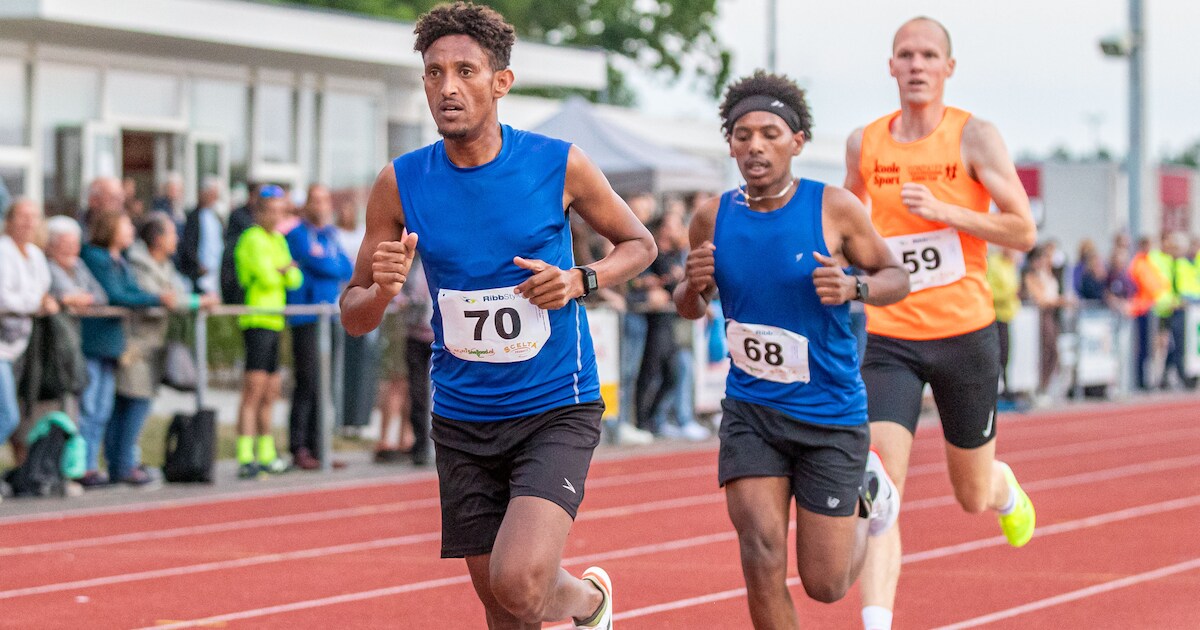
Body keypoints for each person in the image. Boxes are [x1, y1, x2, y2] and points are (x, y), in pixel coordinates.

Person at [339, 4, 656, 628]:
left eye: (464, 71)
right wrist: (380, 291)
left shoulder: (557, 162)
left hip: (553, 406)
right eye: (433, 73)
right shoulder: (400, 183)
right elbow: (354, 314)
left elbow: (639, 244)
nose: (447, 87)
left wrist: (578, 280)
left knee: (521, 580)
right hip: (462, 416)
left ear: (500, 82)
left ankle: (591, 604)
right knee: (505, 607)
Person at [673, 71, 906, 628]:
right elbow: (691, 306)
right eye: (743, 134)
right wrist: (689, 284)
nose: (755, 145)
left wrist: (856, 288)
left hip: (828, 416)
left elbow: (896, 275)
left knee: (826, 584)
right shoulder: (711, 217)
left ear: (797, 141)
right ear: (730, 143)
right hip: (752, 412)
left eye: (770, 133)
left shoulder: (835, 209)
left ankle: (866, 496)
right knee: (760, 553)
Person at [844, 17, 1038, 630]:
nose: (918, 65)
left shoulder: (974, 137)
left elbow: (1023, 230)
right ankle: (878, 623)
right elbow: (845, 223)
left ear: (948, 68)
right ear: (891, 66)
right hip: (891, 339)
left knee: (970, 494)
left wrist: (949, 211)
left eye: (930, 55)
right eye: (906, 54)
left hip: (966, 337)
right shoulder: (865, 143)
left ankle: (1003, 487)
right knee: (878, 489)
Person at [80, 211, 176, 487]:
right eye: (125, 225)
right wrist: (157, 297)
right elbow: (118, 295)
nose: (131, 231)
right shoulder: (98, 258)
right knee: (93, 408)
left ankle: (101, 465)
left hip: (112, 342)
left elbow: (131, 290)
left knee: (102, 407)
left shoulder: (118, 260)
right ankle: (91, 466)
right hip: (100, 341)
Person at [233, 184, 301, 479]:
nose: (276, 217)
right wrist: (282, 271)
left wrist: (283, 271)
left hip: (276, 321)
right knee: (253, 390)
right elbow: (264, 275)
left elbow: (295, 279)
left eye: (280, 211)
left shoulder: (279, 240)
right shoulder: (251, 238)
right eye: (270, 211)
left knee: (271, 392)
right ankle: (245, 455)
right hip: (257, 320)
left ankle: (267, 453)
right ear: (258, 212)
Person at [285, 184, 353, 470]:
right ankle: (298, 446)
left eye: (325, 200)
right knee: (308, 382)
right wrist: (325, 262)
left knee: (324, 385)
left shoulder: (330, 235)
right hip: (307, 317)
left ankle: (319, 446)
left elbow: (346, 269)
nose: (321, 206)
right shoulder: (297, 234)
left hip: (330, 316)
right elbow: (321, 265)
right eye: (316, 200)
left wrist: (326, 262)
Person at [0, 199, 56, 459]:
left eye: (33, 216)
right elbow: (5, 298)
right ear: (9, 220)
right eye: (22, 216)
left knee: (16, 413)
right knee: (8, 415)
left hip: (19, 345)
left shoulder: (35, 254)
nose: (27, 222)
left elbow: (43, 290)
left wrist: (41, 301)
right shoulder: (3, 251)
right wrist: (37, 303)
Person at [986, 246, 1020, 406]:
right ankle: (994, 389)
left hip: (1006, 316)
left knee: (1006, 355)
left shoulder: (1010, 264)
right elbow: (990, 290)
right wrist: (1010, 293)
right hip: (994, 316)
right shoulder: (994, 263)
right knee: (996, 355)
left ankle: (1005, 387)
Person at [179, 176, 226, 294]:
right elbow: (189, 243)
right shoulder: (194, 216)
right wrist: (197, 265)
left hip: (215, 269)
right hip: (200, 271)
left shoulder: (215, 216)